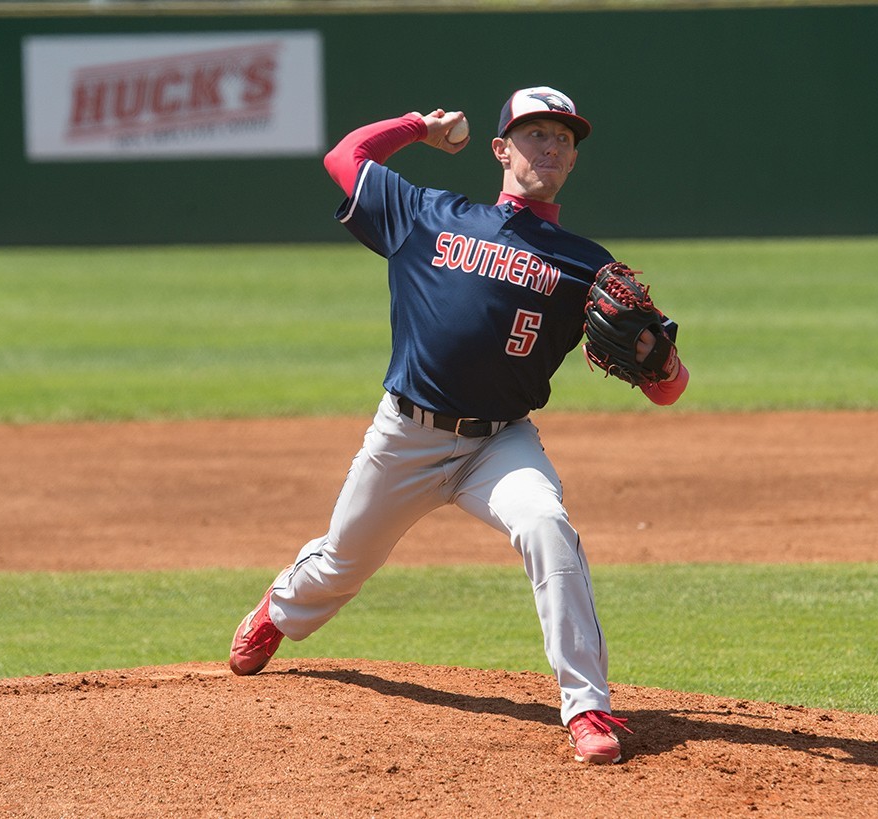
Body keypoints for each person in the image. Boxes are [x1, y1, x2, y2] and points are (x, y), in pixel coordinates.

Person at [229, 86, 689, 764]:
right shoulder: (427, 214)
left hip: (499, 444)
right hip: (405, 436)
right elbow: (344, 157)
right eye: (536, 133)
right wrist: (418, 127)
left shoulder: (589, 266)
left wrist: (662, 360)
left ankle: (587, 708)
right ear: (501, 149)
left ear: (573, 160)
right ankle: (279, 608)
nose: (552, 146)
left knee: (547, 526)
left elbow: (668, 390)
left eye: (564, 139)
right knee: (341, 565)